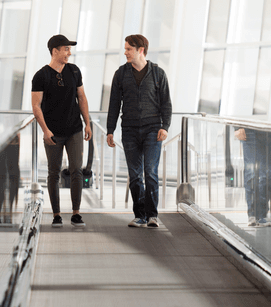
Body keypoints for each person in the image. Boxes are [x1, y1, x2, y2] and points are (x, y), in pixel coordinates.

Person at [106, 34, 172, 229]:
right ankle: (140, 215)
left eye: (129, 49)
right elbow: (114, 104)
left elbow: (166, 103)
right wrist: (110, 130)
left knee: (150, 172)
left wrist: (165, 127)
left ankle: (152, 215)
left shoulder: (158, 73)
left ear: (140, 50)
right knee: (135, 175)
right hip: (129, 130)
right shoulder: (120, 74)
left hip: (153, 130)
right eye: (125, 49)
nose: (125, 52)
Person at [31, 34, 92, 228]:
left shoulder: (74, 71)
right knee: (54, 172)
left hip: (74, 129)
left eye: (69, 49)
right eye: (66, 49)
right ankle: (56, 215)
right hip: (53, 133)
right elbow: (36, 106)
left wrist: (87, 123)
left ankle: (76, 213)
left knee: (77, 170)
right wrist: (45, 130)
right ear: (54, 51)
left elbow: (82, 97)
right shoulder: (41, 76)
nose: (69, 52)